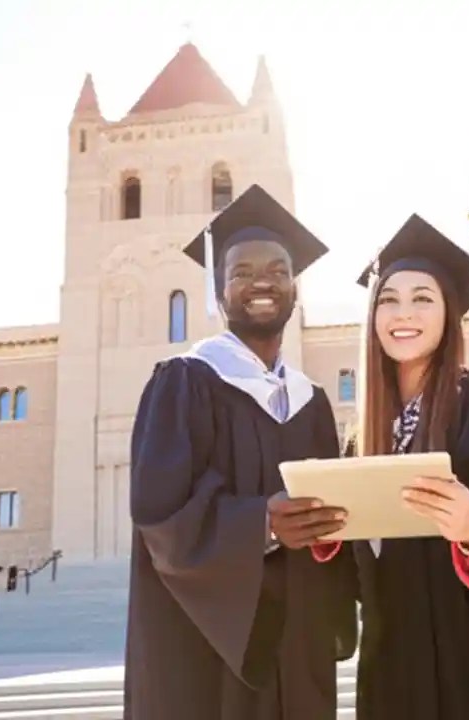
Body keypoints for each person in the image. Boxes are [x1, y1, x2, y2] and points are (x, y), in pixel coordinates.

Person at [124, 183, 358, 720]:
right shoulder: (183, 383)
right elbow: (160, 514)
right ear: (219, 291)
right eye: (242, 272)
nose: (262, 283)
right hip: (208, 649)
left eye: (278, 270)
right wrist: (263, 525)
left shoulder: (311, 403)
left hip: (297, 645)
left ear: (295, 288)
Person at [310, 214, 469, 718]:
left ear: (448, 314)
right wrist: (330, 536)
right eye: (389, 299)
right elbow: (363, 583)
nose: (404, 313)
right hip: (390, 674)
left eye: (423, 298)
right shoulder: (364, 436)